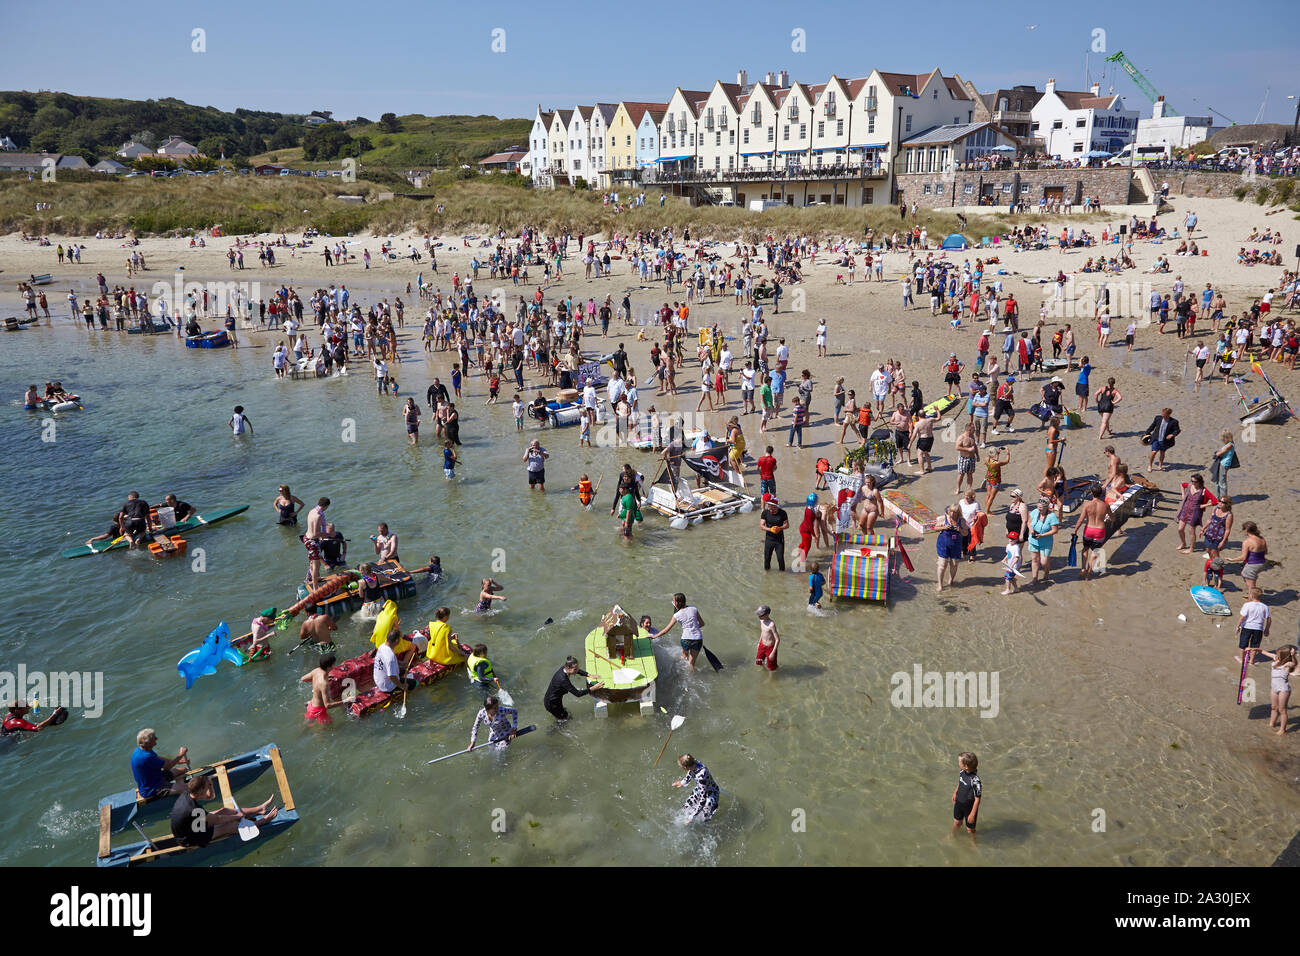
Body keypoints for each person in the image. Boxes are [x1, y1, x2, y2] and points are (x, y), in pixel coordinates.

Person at [169, 775, 278, 847]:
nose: (209, 788)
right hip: (189, 838)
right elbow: (218, 819)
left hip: (192, 826)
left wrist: (209, 784)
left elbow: (210, 797)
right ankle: (263, 821)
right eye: (207, 787)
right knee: (228, 826)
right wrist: (237, 817)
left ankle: (260, 809)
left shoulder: (187, 794)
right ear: (201, 790)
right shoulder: (194, 809)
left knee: (225, 811)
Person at [650, 592, 707, 670]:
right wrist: (693, 628)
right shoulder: (694, 609)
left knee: (684, 656)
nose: (673, 602)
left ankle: (680, 664)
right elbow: (702, 623)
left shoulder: (677, 615)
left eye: (673, 601)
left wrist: (654, 636)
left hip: (686, 639)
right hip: (697, 639)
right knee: (691, 664)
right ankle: (690, 679)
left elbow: (666, 630)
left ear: (677, 603)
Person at [131, 728, 190, 799]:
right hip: (153, 789)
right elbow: (167, 767)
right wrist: (180, 755)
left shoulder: (142, 749)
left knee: (184, 770)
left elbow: (159, 758)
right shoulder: (147, 757)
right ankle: (180, 790)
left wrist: (179, 761)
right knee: (188, 788)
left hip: (157, 777)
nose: (156, 738)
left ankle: (177, 787)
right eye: (154, 738)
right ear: (148, 743)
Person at [1073, 484, 1110, 579]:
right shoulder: (1105, 505)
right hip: (1100, 531)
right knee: (1095, 552)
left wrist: (1075, 530)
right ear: (1101, 494)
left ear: (1091, 493)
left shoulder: (1087, 505)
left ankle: (1083, 568)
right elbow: (1113, 517)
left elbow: (1081, 519)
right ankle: (1089, 573)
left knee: (1085, 549)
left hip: (1089, 530)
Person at [1258, 645, 1297, 735]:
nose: (1276, 655)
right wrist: (1253, 649)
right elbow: (1263, 652)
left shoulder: (1287, 665)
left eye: (1278, 654)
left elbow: (1294, 663)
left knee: (1282, 710)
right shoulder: (1276, 659)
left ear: (1284, 656)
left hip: (1283, 689)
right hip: (1274, 687)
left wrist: (1293, 655)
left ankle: (1282, 730)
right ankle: (1272, 724)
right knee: (1273, 707)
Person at [299, 653, 346, 724]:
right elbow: (327, 705)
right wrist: (345, 701)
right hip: (319, 711)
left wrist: (317, 683)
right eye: (334, 664)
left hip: (311, 705)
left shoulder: (316, 670)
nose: (335, 665)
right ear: (328, 667)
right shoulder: (324, 684)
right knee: (327, 729)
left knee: (306, 726)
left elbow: (303, 679)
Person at [672, 753, 720, 822]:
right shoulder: (694, 762)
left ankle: (713, 808)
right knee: (686, 808)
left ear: (685, 767)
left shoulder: (701, 777)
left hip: (710, 795)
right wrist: (683, 782)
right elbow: (691, 771)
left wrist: (692, 817)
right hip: (701, 789)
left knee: (704, 819)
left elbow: (703, 799)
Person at [1026, 498, 1060, 585]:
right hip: (1033, 540)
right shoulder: (1035, 511)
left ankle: (1046, 574)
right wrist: (1031, 530)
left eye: (1041, 508)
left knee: (1044, 562)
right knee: (1034, 560)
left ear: (1046, 507)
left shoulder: (1052, 516)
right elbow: (1029, 522)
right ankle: (1035, 579)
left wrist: (1042, 535)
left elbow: (1055, 530)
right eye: (1038, 507)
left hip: (1046, 542)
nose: (1039, 509)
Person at [1235, 587, 1271, 667]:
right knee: (1255, 645)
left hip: (1247, 627)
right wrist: (1267, 629)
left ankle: (1242, 659)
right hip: (1258, 629)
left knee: (1243, 644)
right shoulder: (1264, 606)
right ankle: (1251, 661)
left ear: (1251, 596)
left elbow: (1242, 617)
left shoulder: (1247, 605)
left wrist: (1238, 626)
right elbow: (1269, 619)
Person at [1176, 474, 1211, 553]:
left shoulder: (1204, 491)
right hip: (1185, 510)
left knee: (1191, 531)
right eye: (1191, 481)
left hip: (1195, 512)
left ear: (1199, 482)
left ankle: (1191, 548)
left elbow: (1215, 501)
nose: (1193, 483)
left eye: (1194, 482)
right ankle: (1183, 543)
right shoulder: (1189, 486)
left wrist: (1203, 505)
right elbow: (1182, 485)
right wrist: (1183, 494)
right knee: (1180, 529)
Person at [375, 627, 416, 695]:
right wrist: (402, 686)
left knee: (404, 668)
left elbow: (386, 662)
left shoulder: (382, 646)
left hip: (378, 680)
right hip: (387, 686)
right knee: (414, 683)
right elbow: (391, 677)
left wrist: (401, 663)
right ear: (397, 641)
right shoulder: (391, 657)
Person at [935, 505, 965, 593]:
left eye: (954, 512)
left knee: (954, 564)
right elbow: (935, 528)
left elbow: (966, 533)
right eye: (950, 511)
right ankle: (940, 585)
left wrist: (959, 529)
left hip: (956, 545)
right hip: (943, 544)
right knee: (942, 565)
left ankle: (950, 581)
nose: (952, 513)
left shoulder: (961, 521)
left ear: (958, 512)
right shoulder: (943, 518)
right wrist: (944, 527)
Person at [952, 752, 982, 838]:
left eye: (959, 762)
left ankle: (973, 842)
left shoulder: (975, 780)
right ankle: (953, 834)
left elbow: (977, 799)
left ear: (966, 766)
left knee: (970, 829)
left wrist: (972, 814)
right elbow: (960, 782)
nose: (958, 763)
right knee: (957, 822)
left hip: (969, 806)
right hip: (959, 802)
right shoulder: (962, 772)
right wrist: (955, 792)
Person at [303, 497, 330, 589]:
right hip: (312, 541)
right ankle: (315, 587)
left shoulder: (312, 511)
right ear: (326, 506)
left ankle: (316, 578)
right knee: (316, 565)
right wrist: (326, 534)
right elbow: (315, 534)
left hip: (306, 538)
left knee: (312, 561)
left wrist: (321, 535)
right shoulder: (318, 516)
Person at [759, 495, 789, 572]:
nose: (768, 507)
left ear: (775, 506)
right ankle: (767, 574)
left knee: (780, 558)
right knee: (767, 559)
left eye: (770, 506)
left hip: (779, 540)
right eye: (768, 505)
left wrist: (780, 528)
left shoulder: (782, 513)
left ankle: (782, 576)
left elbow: (787, 525)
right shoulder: (765, 513)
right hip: (769, 540)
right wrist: (770, 529)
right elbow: (761, 526)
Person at [1239, 522, 1268, 589]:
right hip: (1262, 563)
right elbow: (1266, 551)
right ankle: (1252, 593)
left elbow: (1243, 557)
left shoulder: (1247, 542)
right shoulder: (1262, 538)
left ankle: (1252, 596)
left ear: (1246, 530)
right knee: (1244, 574)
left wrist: (1232, 559)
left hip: (1253, 564)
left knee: (1250, 582)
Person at [754, 605, 780, 672]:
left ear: (767, 614)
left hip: (770, 648)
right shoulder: (761, 621)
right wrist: (759, 642)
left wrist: (773, 652)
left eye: (761, 615)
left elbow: (777, 639)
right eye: (758, 615)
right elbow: (762, 632)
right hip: (762, 645)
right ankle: (762, 669)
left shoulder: (771, 625)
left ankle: (770, 677)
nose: (759, 617)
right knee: (759, 661)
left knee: (771, 667)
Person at [1000, 531, 1022, 595]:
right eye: (1009, 538)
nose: (1010, 540)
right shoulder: (1008, 546)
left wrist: (1012, 566)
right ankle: (1016, 589)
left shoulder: (1016, 547)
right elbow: (1008, 554)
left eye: (1012, 539)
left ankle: (1008, 590)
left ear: (1016, 540)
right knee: (1011, 578)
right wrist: (1004, 559)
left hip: (1014, 567)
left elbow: (1017, 558)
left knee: (1007, 577)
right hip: (1009, 565)